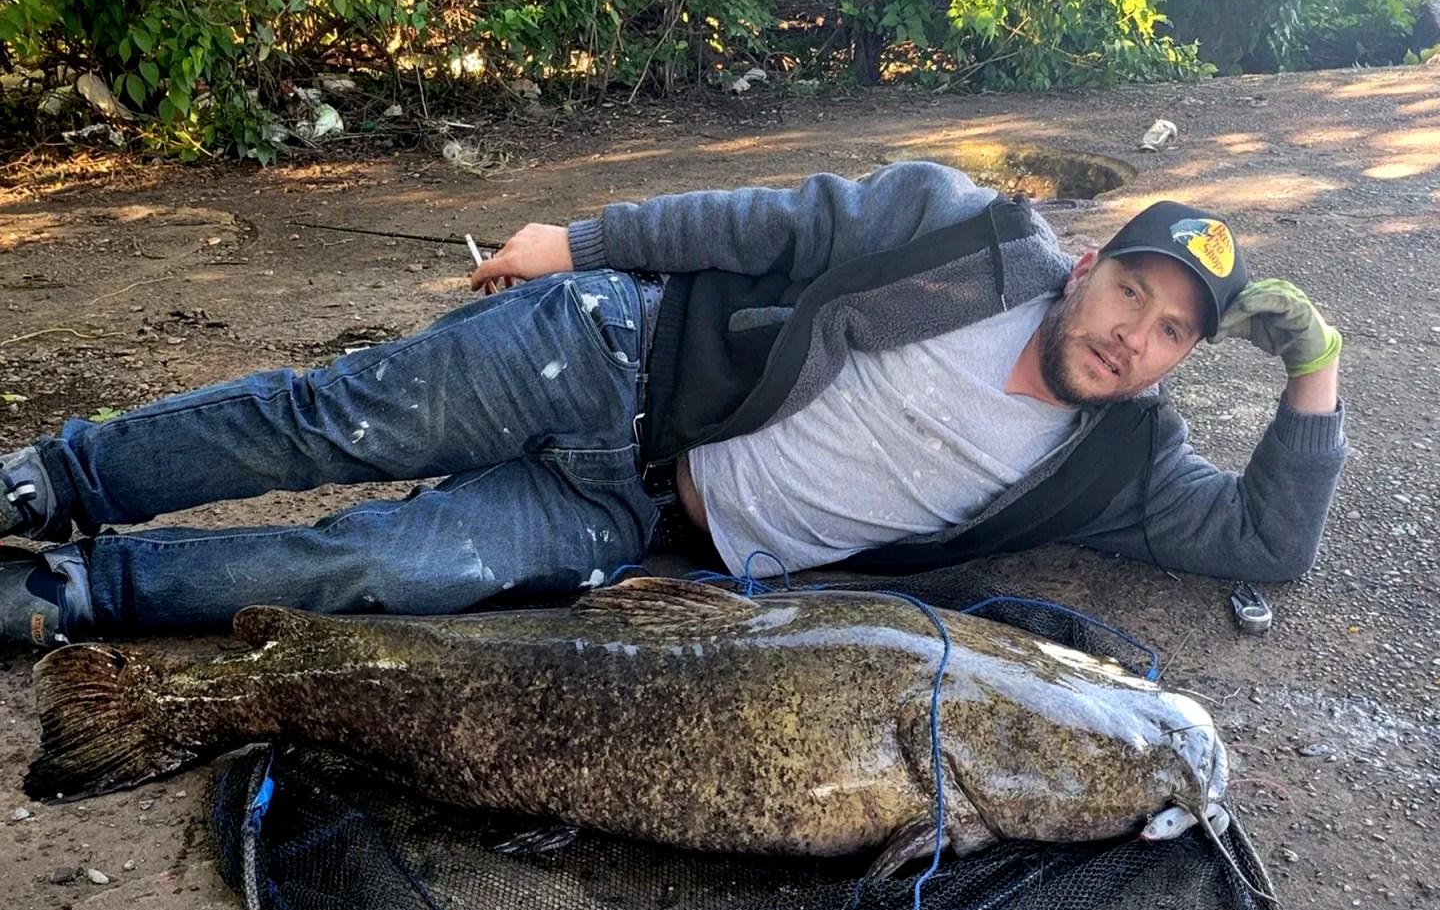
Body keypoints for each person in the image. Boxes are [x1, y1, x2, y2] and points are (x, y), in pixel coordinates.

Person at [0, 161, 1346, 648]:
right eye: (1133, 298)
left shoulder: (1116, 464)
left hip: (621, 517)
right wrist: (575, 244)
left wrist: (1315, 372)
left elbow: (1264, 547)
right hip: (604, 351)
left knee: (365, 566)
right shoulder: (963, 230)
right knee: (326, 422)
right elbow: (761, 221)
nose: (1134, 340)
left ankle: (71, 596)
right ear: (1095, 264)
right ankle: (53, 481)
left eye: (1174, 335)